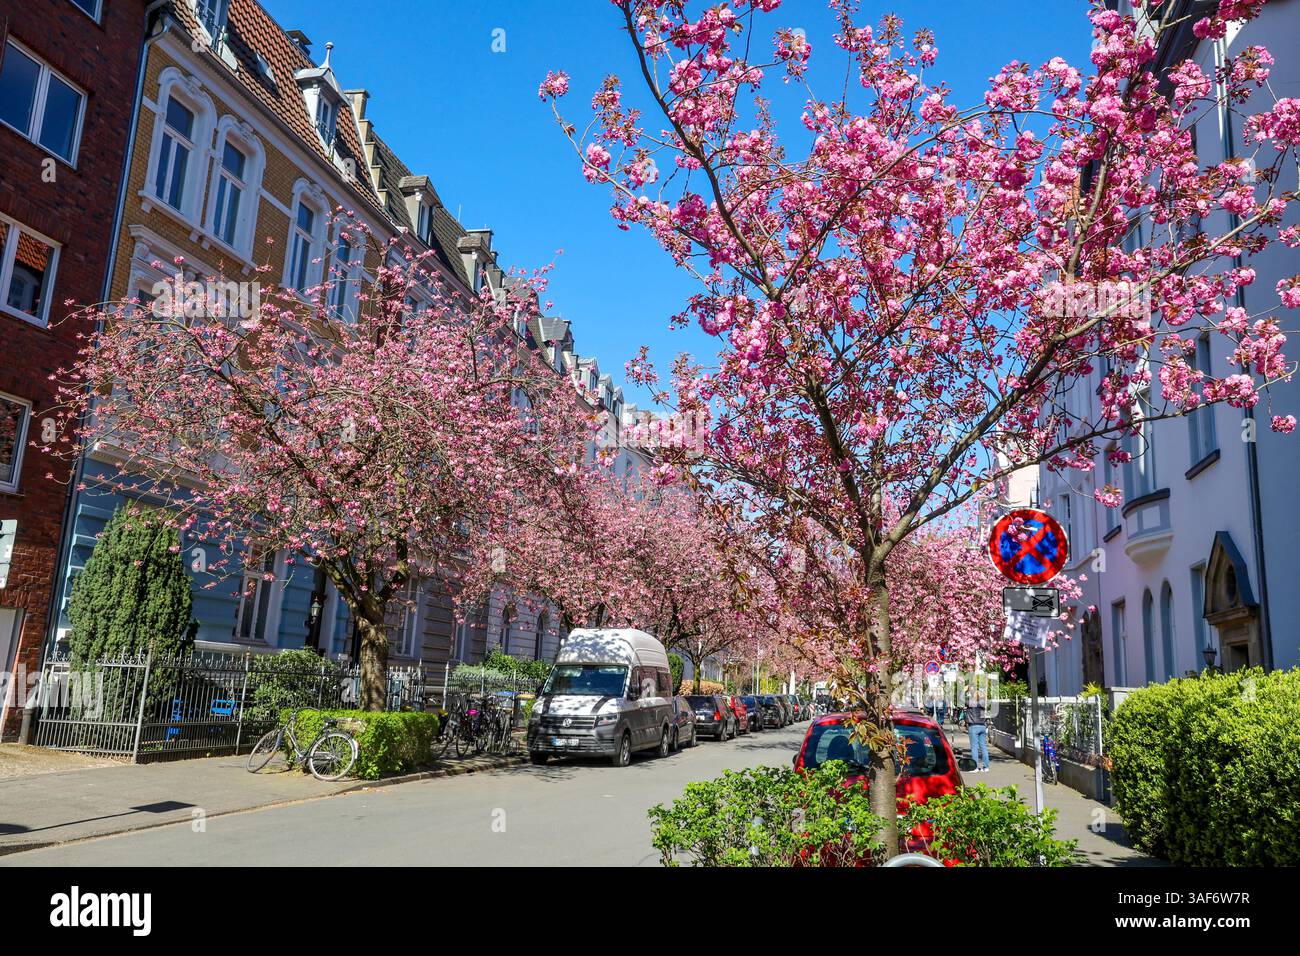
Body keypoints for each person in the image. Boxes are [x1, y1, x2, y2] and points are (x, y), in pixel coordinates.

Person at [965, 693, 990, 772]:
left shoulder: (971, 703)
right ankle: (986, 767)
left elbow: (961, 700)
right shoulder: (983, 704)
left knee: (974, 747)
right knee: (984, 747)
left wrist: (965, 691)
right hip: (982, 726)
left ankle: (975, 767)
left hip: (974, 726)